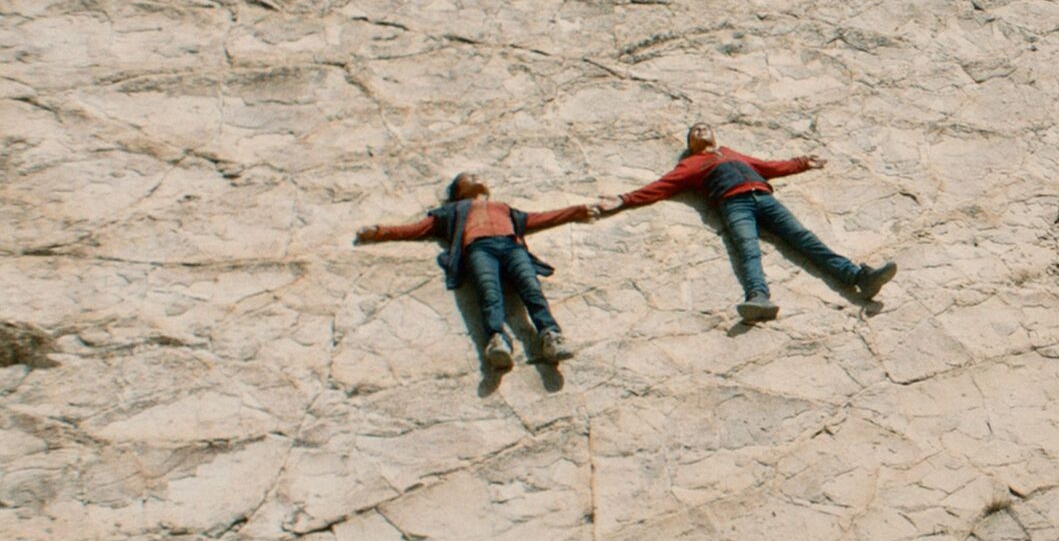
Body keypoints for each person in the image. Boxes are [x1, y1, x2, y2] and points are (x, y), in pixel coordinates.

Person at [596, 124, 895, 321]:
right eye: (695, 131)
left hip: (765, 198)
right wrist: (624, 199)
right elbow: (662, 186)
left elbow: (768, 167)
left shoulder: (730, 154)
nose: (701, 130)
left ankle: (859, 278)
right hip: (734, 204)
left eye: (705, 127)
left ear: (715, 136)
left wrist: (803, 162)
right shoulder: (689, 165)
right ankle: (758, 299)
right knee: (747, 249)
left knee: (804, 238)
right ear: (690, 144)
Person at [354, 173, 596, 369]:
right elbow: (417, 229)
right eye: (468, 177)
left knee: (532, 288)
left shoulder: (502, 207)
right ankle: (497, 340)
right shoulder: (453, 211)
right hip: (479, 249)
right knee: (489, 292)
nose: (475, 176)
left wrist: (578, 210)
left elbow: (540, 218)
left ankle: (550, 336)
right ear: (458, 191)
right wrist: (379, 231)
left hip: (512, 245)